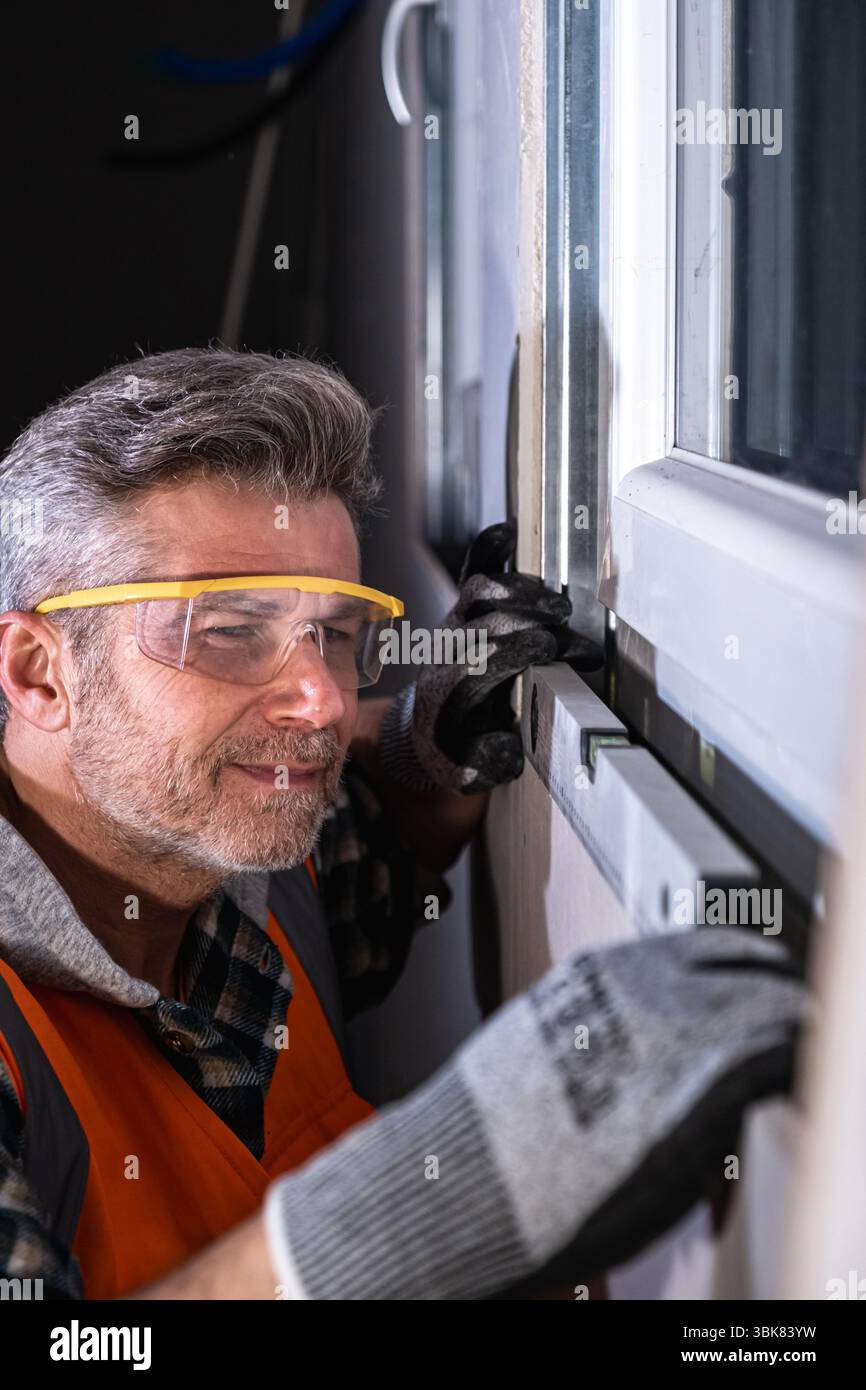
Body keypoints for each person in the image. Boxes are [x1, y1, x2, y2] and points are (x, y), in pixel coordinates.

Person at [0, 348, 807, 1300]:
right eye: (227, 633)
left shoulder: (239, 875)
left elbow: (370, 835)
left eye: (333, 635)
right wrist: (417, 1211)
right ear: (41, 673)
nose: (321, 702)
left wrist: (437, 737)